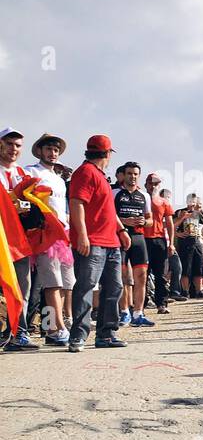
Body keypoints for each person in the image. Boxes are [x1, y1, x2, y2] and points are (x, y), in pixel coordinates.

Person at [67, 134, 130, 352]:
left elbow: (108, 210)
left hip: (111, 242)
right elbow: (76, 203)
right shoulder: (85, 172)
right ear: (107, 153)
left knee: (114, 287)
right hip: (93, 242)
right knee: (85, 287)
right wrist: (82, 235)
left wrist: (121, 230)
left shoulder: (101, 176)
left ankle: (106, 333)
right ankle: (78, 335)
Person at [25, 133, 75, 343]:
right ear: (40, 151)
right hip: (44, 233)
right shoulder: (31, 172)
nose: (52, 153)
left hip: (62, 234)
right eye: (48, 149)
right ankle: (57, 328)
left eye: (55, 150)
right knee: (51, 282)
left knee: (65, 283)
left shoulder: (59, 179)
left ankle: (52, 327)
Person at [0, 126, 40, 351]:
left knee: (22, 288)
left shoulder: (25, 174)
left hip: (19, 240)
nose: (13, 149)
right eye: (9, 144)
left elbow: (35, 203)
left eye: (17, 146)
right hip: (1, 236)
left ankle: (18, 333)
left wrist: (27, 206)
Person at [114, 163, 154, 327]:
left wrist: (145, 221)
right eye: (129, 173)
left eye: (136, 174)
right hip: (120, 237)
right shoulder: (114, 192)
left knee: (142, 276)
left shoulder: (144, 195)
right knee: (123, 277)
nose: (133, 177)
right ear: (123, 175)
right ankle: (124, 312)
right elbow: (108, 216)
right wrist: (124, 221)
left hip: (138, 237)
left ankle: (138, 313)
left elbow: (151, 220)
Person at [142, 173, 175, 316]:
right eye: (150, 183)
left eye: (156, 184)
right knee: (142, 274)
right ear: (146, 184)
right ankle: (140, 305)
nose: (153, 186)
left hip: (159, 240)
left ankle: (161, 303)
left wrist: (171, 243)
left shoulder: (163, 202)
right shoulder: (140, 198)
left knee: (160, 274)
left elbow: (169, 223)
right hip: (142, 239)